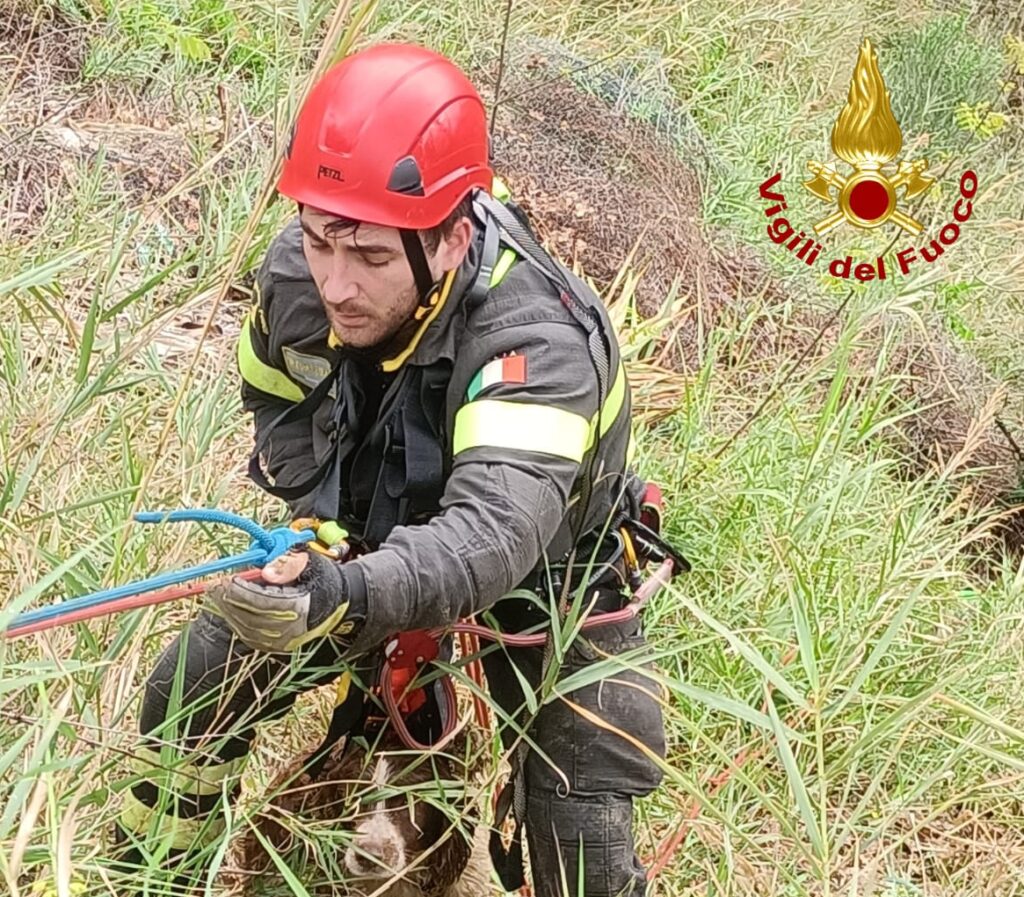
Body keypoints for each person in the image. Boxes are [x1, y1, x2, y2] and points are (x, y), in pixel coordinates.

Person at [113, 43, 669, 897]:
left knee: (582, 808)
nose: (337, 283)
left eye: (369, 257)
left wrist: (351, 592)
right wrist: (322, 529)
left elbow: (487, 538)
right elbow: (278, 404)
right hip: (365, 541)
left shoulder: (536, 345)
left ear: (449, 238)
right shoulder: (304, 274)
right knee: (193, 689)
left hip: (546, 571)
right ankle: (151, 880)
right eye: (320, 238)